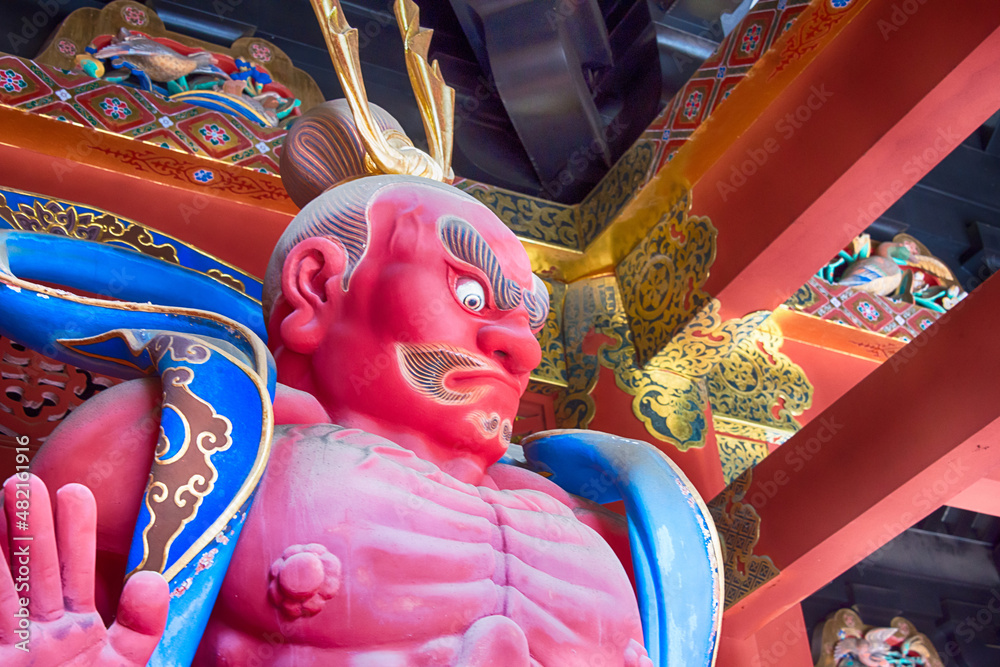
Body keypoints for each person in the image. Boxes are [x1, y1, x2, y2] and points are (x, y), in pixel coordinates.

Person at [1, 100, 652, 664]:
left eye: (527, 317)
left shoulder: (605, 523)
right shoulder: (180, 440)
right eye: (473, 294)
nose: (522, 347)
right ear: (316, 284)